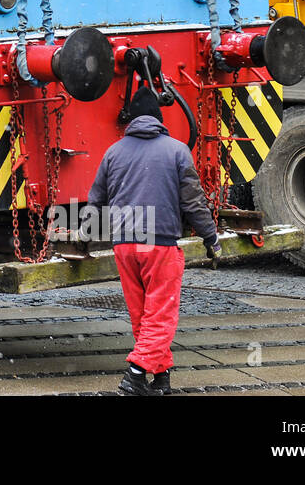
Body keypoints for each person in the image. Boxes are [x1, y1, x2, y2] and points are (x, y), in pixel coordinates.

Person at [87, 86, 221, 396]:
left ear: (130, 120)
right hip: (158, 243)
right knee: (161, 315)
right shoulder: (176, 150)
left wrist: (85, 235)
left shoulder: (113, 151)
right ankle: (134, 376)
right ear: (159, 119)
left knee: (143, 315)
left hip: (124, 244)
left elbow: (95, 200)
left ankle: (161, 379)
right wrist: (210, 237)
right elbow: (193, 203)